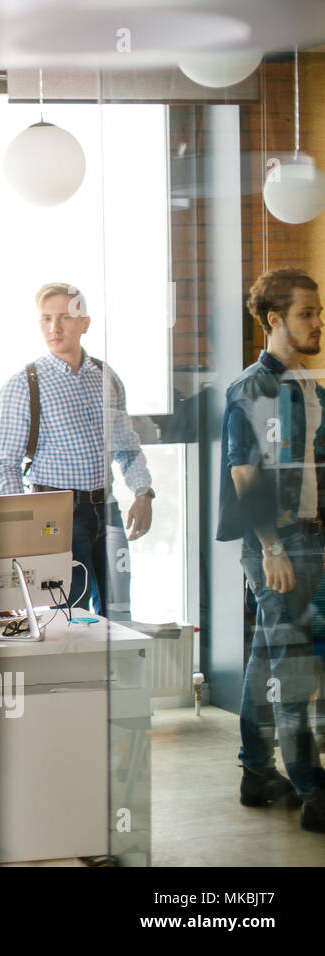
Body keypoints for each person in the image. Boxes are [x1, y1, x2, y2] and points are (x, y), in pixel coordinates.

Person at [217, 268, 325, 829]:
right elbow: (244, 475)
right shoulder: (251, 388)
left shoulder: (308, 384)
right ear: (274, 319)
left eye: (320, 313)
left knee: (267, 660)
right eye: (307, 313)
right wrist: (272, 549)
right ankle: (313, 790)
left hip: (307, 538)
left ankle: (257, 772)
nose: (318, 323)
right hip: (279, 547)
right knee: (293, 669)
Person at [0, 281, 155, 619]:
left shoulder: (107, 378)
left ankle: (111, 675)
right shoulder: (24, 384)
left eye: (65, 317)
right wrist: (20, 530)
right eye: (46, 319)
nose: (54, 328)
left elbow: (126, 447)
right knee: (67, 616)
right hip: (57, 515)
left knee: (118, 614)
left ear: (85, 323)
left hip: (107, 510)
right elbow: (6, 464)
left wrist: (143, 492)